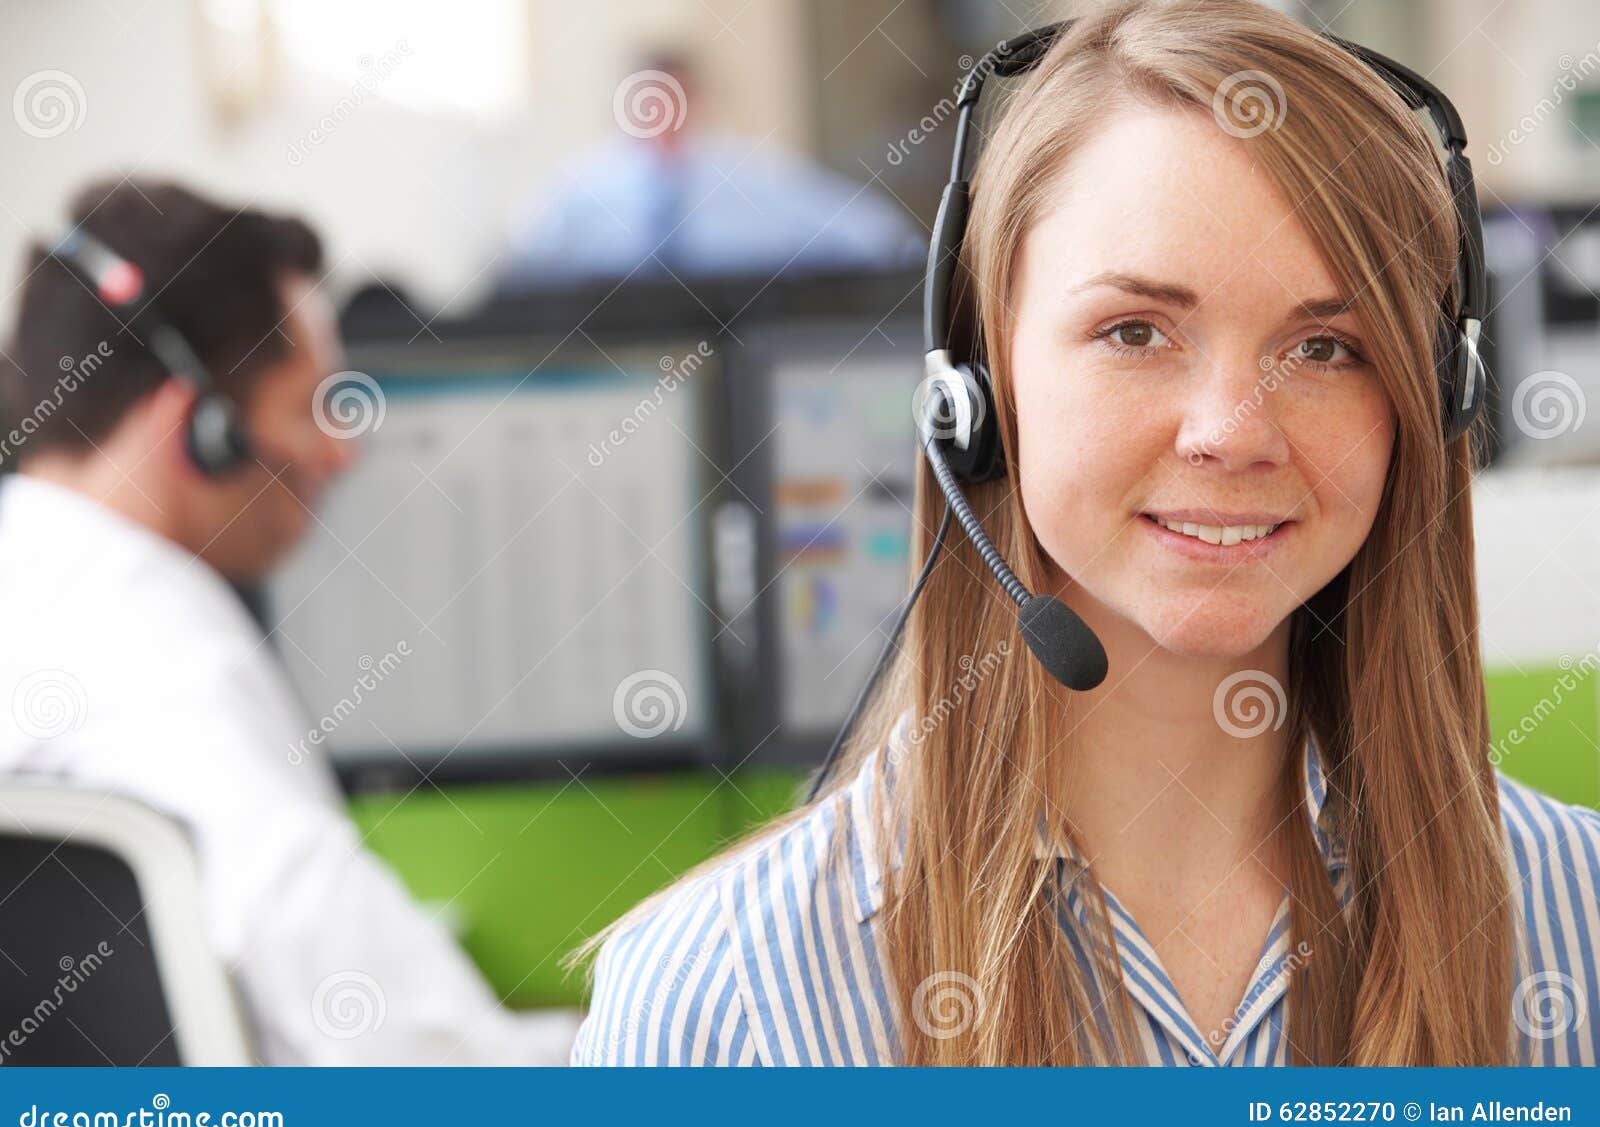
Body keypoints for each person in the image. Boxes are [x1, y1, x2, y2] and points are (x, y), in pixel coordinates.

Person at [573, 0, 1600, 1067]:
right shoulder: (731, 998)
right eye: (1135, 331)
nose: (1229, 433)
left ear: (1430, 396)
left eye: (1326, 346)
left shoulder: (1573, 926)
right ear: (976, 384)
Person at [0, 178, 577, 1065]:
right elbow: (404, 1055)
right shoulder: (160, 651)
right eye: (312, 406)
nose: (340, 455)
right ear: (202, 432)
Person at [498, 50, 924, 287]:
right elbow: (519, 269)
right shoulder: (580, 189)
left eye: (678, 95)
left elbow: (875, 233)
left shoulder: (753, 175)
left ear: (698, 99)